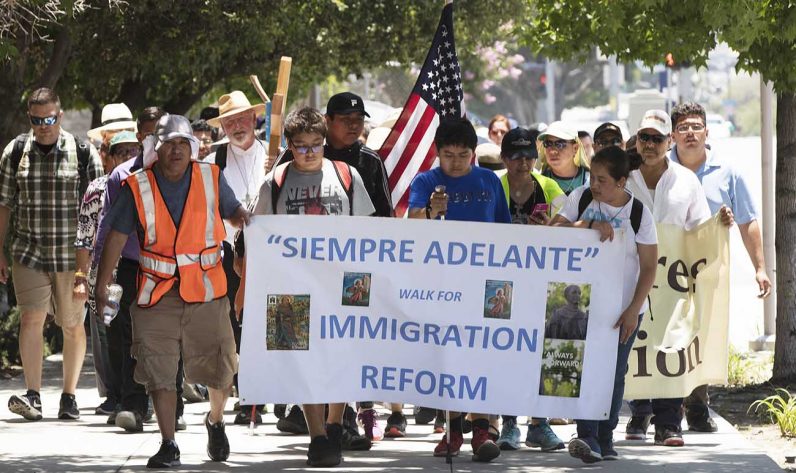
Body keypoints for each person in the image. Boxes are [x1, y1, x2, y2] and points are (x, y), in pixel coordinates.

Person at [96, 114, 249, 468]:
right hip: (156, 295)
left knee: (221, 369)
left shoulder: (211, 177)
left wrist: (253, 222)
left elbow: (235, 213)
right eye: (169, 144)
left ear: (192, 148)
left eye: (183, 143)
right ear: (156, 147)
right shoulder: (137, 186)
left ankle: (215, 420)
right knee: (158, 370)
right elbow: (115, 236)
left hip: (207, 293)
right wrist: (101, 284)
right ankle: (168, 443)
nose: (176, 150)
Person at [237, 106, 375, 467]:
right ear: (290, 145)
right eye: (301, 146)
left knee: (342, 358)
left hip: (341, 286)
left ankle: (334, 424)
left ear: (324, 142)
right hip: (290, 287)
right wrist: (245, 288)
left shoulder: (346, 176)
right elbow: (257, 239)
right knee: (300, 361)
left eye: (316, 144)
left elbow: (369, 235)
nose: (309, 152)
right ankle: (317, 435)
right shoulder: (275, 182)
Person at [273, 92, 391, 442]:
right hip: (298, 277)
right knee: (300, 345)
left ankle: (343, 420)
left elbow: (383, 219)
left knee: (347, 345)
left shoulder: (367, 163)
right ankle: (309, 417)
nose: (354, 126)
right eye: (346, 120)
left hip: (349, 275)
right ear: (328, 121)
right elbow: (263, 221)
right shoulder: (287, 164)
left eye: (359, 120)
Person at [408, 116, 509, 462]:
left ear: (473, 153)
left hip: (485, 284)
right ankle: (452, 428)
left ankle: (481, 427)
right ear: (437, 152)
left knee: (480, 354)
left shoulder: (489, 180)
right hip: (442, 284)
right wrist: (429, 211)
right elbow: (410, 225)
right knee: (446, 356)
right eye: (448, 155)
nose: (455, 162)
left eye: (462, 155)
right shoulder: (425, 181)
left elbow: (505, 228)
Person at [668, 101, 772, 433]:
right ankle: (666, 408)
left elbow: (747, 221)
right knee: (668, 335)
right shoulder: (661, 170)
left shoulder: (728, 173)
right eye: (683, 128)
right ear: (673, 135)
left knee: (702, 337)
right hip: (666, 271)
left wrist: (760, 268)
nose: (690, 133)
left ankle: (698, 407)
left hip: (709, 273)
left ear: (707, 132)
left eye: (696, 126)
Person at [2, 88, 104, 421]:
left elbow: (99, 210)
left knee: (72, 325)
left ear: (59, 116)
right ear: (29, 118)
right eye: (37, 120)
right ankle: (33, 394)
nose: (43, 126)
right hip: (28, 251)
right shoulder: (16, 152)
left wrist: (95, 260)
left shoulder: (84, 153)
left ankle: (69, 396)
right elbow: (4, 204)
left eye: (49, 119)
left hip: (72, 256)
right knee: (31, 318)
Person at [551, 146, 658, 463]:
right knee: (584, 369)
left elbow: (649, 266)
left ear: (621, 182)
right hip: (582, 307)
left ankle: (606, 436)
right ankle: (587, 436)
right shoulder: (581, 198)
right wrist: (585, 226)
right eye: (593, 177)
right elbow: (552, 231)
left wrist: (632, 310)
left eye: (602, 180)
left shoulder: (639, 213)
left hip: (623, 309)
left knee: (614, 373)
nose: (595, 185)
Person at [623, 109, 711, 447]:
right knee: (636, 346)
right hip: (631, 279)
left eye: (656, 138)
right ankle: (639, 412)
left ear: (669, 141)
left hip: (673, 283)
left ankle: (669, 423)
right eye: (644, 137)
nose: (649, 144)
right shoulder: (622, 178)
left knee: (670, 346)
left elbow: (699, 229)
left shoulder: (687, 181)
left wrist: (720, 226)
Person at [93, 107, 182, 432]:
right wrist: (100, 274)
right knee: (132, 335)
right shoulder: (122, 176)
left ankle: (175, 407)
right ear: (139, 135)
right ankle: (133, 404)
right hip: (134, 266)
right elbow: (108, 225)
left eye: (161, 133)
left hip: (173, 266)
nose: (154, 140)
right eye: (148, 134)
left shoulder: (183, 173)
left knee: (171, 337)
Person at [494, 126, 566, 452]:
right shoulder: (495, 186)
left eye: (528, 156)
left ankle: (540, 423)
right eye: (515, 156)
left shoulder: (549, 187)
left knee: (541, 351)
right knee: (505, 352)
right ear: (504, 158)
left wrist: (552, 227)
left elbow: (572, 227)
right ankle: (508, 423)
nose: (523, 163)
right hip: (503, 284)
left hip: (541, 283)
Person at [206, 90, 269, 426]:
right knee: (237, 324)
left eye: (241, 119)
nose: (236, 126)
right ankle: (249, 397)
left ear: (254, 118)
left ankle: (282, 394)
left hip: (271, 252)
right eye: (229, 122)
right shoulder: (212, 161)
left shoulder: (275, 154)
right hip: (230, 254)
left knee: (276, 321)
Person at [75, 130, 141, 417]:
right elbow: (85, 234)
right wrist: (82, 277)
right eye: (121, 152)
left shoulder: (147, 180)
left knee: (138, 334)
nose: (128, 156)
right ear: (109, 157)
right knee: (109, 337)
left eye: (132, 150)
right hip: (106, 274)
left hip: (139, 271)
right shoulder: (98, 188)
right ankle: (115, 395)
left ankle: (139, 396)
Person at [539, 121, 590, 195]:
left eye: (560, 144)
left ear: (575, 148)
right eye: (548, 144)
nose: (553, 151)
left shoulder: (591, 181)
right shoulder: (539, 184)